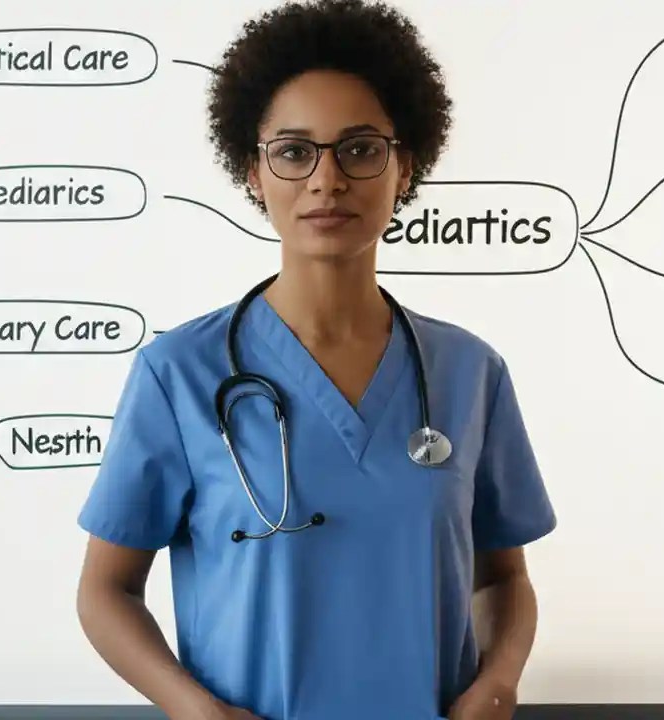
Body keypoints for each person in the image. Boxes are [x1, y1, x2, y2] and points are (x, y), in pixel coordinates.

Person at [73, 1, 557, 718]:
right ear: (253, 171)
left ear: (404, 168)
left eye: (360, 149)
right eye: (294, 152)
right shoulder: (178, 374)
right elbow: (105, 592)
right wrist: (195, 710)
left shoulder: (469, 372)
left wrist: (498, 681)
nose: (327, 181)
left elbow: (502, 579)